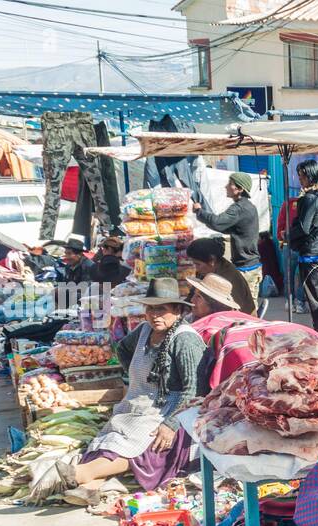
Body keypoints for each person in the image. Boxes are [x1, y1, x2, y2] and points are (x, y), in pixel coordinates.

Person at [46, 278, 205, 497]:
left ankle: (80, 474)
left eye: (162, 309)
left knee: (146, 442)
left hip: (174, 409)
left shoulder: (185, 340)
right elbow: (122, 349)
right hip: (141, 403)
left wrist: (170, 424)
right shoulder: (144, 331)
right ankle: (89, 488)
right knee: (114, 435)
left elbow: (194, 390)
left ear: (178, 310)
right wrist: (138, 377)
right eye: (150, 309)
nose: (154, 315)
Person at [193, 171, 262, 307]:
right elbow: (222, 226)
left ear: (240, 189)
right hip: (247, 266)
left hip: (247, 268)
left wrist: (199, 212)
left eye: (230, 184)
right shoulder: (246, 207)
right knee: (240, 307)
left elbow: (218, 222)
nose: (226, 186)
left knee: (247, 310)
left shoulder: (240, 208)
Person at [286, 160, 318, 340]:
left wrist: (287, 234)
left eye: (302, 176)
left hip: (311, 255)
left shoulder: (309, 198)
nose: (300, 179)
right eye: (299, 175)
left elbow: (303, 228)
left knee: (315, 299)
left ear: (311, 175)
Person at [186, 236, 255, 314]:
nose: (196, 269)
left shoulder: (225, 280)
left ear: (212, 260)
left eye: (198, 264)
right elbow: (193, 294)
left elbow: (227, 312)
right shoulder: (207, 269)